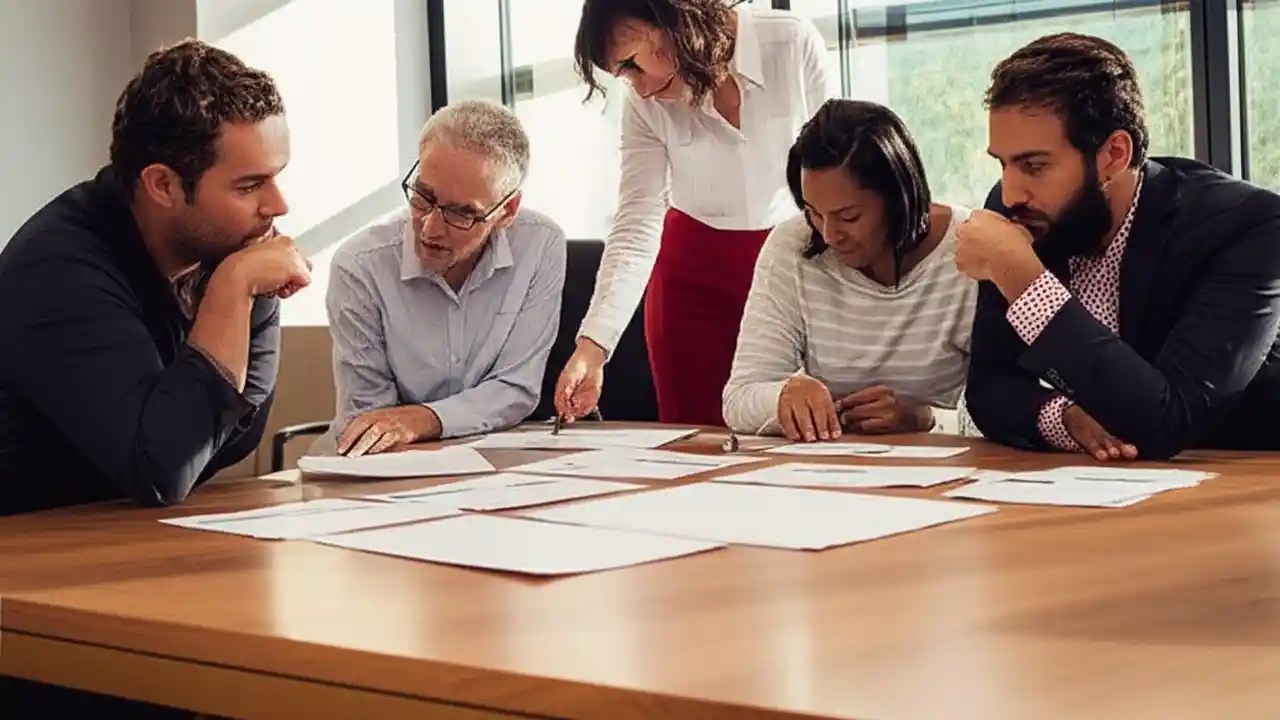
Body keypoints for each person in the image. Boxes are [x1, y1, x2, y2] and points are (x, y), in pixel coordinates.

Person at [0, 39, 309, 516]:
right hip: (26, 554)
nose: (278, 205)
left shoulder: (225, 247)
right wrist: (233, 290)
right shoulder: (56, 270)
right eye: (249, 185)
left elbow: (230, 438)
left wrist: (245, 286)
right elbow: (163, 469)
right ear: (162, 184)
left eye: (276, 176)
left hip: (116, 538)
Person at [958, 32, 1280, 461]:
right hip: (1100, 489)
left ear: (1113, 154)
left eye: (1034, 165)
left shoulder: (1245, 225)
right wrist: (1065, 416)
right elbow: (988, 387)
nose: (1011, 191)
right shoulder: (1024, 208)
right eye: (1003, 163)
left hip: (1239, 478)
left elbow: (1168, 419)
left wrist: (1021, 277)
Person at [554, 0, 833, 426]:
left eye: (632, 63)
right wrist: (593, 347)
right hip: (690, 281)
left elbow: (834, 174)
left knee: (797, 428)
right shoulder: (644, 106)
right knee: (692, 443)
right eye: (623, 76)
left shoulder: (791, 42)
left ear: (674, 14)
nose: (640, 88)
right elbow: (636, 223)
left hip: (788, 265)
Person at [317, 100, 566, 457]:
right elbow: (371, 418)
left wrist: (421, 419)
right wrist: (408, 426)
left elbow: (516, 387)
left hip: (493, 459)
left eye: (462, 213)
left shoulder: (539, 244)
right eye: (423, 197)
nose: (430, 228)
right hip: (379, 466)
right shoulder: (359, 266)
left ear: (507, 211)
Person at [723, 99, 977, 442]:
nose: (828, 235)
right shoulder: (793, 245)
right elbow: (740, 397)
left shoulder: (970, 250)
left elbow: (1013, 411)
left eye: (849, 217)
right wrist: (781, 397)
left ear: (898, 198)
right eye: (813, 212)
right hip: (831, 475)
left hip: (946, 475)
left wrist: (924, 417)